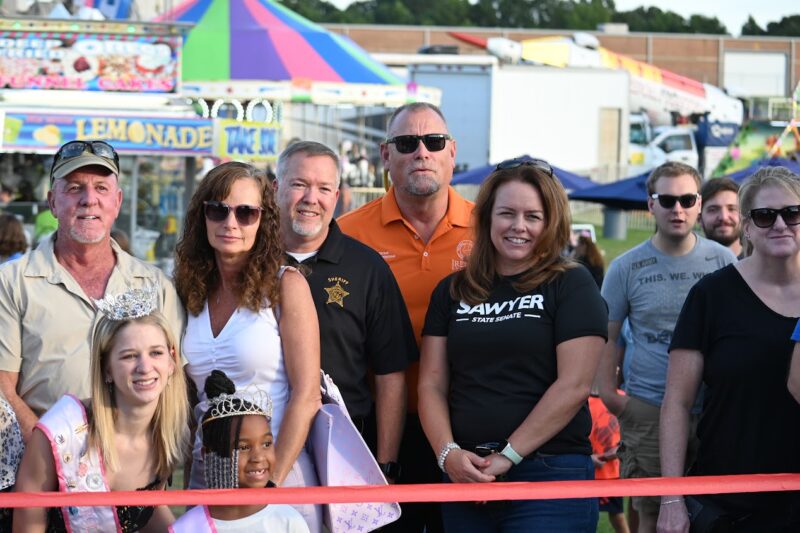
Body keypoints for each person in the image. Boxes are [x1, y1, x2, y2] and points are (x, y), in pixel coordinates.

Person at [418, 159, 608, 532]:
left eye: (532, 216)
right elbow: (431, 384)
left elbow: (574, 385)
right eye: (507, 213)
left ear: (550, 222)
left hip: (548, 472)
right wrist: (448, 454)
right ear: (488, 217)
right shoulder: (452, 291)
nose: (518, 226)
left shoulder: (571, 284)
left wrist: (508, 455)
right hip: (466, 474)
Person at [338, 102, 473, 533]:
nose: (421, 152)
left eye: (433, 141)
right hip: (375, 427)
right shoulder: (347, 233)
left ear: (452, 151)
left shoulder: (489, 230)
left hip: (467, 425)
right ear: (385, 155)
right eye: (406, 143)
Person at [0, 140, 183, 443]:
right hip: (40, 462)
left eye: (101, 188)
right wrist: (54, 455)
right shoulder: (11, 282)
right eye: (74, 188)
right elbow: (3, 388)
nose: (89, 200)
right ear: (52, 202)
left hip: (135, 464)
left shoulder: (155, 285)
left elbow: (174, 383)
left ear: (117, 202)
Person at [174, 161, 322, 532]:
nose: (231, 223)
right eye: (218, 210)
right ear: (202, 216)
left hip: (277, 474)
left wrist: (272, 485)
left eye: (245, 213)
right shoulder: (188, 290)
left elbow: (307, 396)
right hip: (210, 477)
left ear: (263, 220)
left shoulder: (286, 286)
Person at [597, 161, 736, 533]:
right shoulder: (625, 267)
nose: (678, 209)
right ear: (651, 205)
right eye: (668, 200)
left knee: (719, 511)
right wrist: (611, 397)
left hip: (714, 409)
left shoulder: (723, 260)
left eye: (687, 200)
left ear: (698, 203)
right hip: (649, 407)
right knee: (654, 514)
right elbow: (606, 336)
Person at [658, 167, 800, 532]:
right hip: (729, 498)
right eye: (765, 216)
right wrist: (671, 497)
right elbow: (677, 402)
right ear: (747, 227)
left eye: (792, 213)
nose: (780, 225)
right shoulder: (712, 295)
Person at [275, 141, 417, 477]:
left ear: (336, 196)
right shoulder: (248, 261)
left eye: (324, 188)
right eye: (299, 184)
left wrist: (385, 465)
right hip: (262, 443)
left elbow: (390, 375)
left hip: (344, 448)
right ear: (275, 188)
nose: (311, 198)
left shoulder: (367, 268)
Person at [13, 286, 189, 531]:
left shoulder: (166, 433)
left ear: (172, 361)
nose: (145, 367)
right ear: (107, 369)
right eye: (129, 356)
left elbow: (146, 509)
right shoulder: (59, 434)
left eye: (156, 353)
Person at [169, 370, 309, 533]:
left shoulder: (288, 521)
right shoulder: (189, 527)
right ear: (208, 455)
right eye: (243, 447)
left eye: (266, 444)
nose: (258, 457)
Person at [589, 389, 629, 533]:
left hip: (612, 472)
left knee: (617, 515)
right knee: (587, 515)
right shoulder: (582, 400)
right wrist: (588, 458)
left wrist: (619, 450)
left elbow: (631, 430)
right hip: (588, 471)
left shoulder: (621, 397)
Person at [699, 177, 742, 258]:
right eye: (713, 210)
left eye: (732, 209)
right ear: (699, 218)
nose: (724, 217)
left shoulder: (763, 262)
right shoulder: (688, 264)